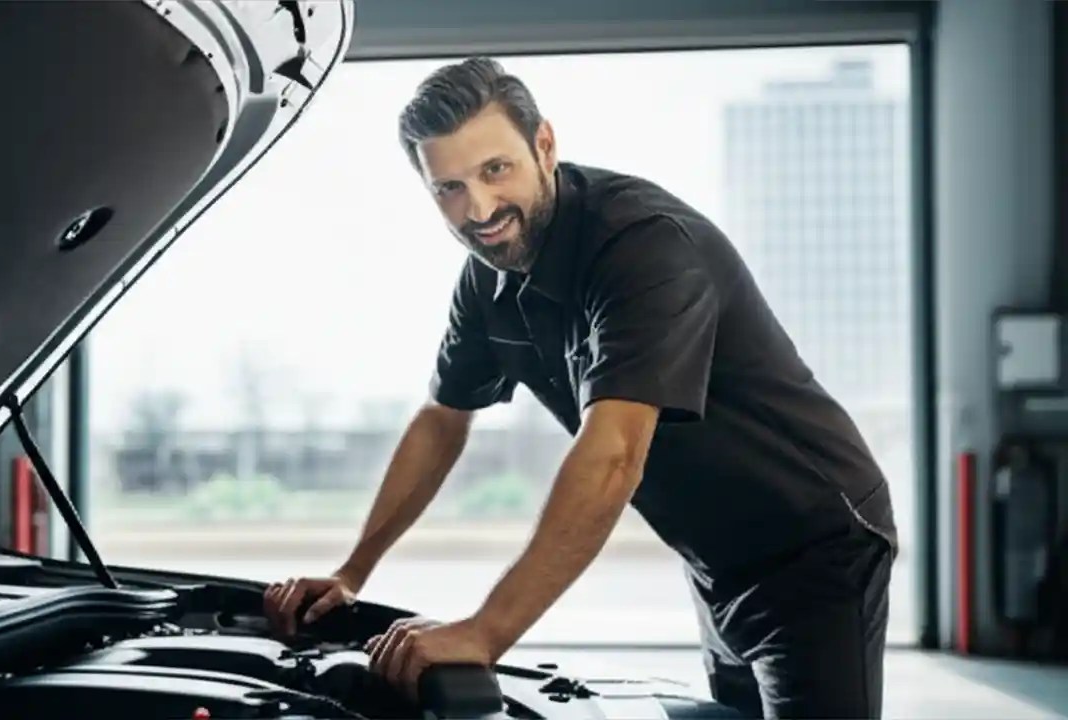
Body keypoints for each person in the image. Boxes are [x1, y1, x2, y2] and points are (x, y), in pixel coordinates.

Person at [263, 56, 897, 719]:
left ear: (544, 146)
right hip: (716, 561)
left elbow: (614, 455)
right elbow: (441, 421)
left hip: (816, 546)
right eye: (448, 187)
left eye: (495, 170)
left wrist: (486, 632)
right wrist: (353, 571)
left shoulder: (643, 247)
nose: (477, 209)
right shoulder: (488, 279)